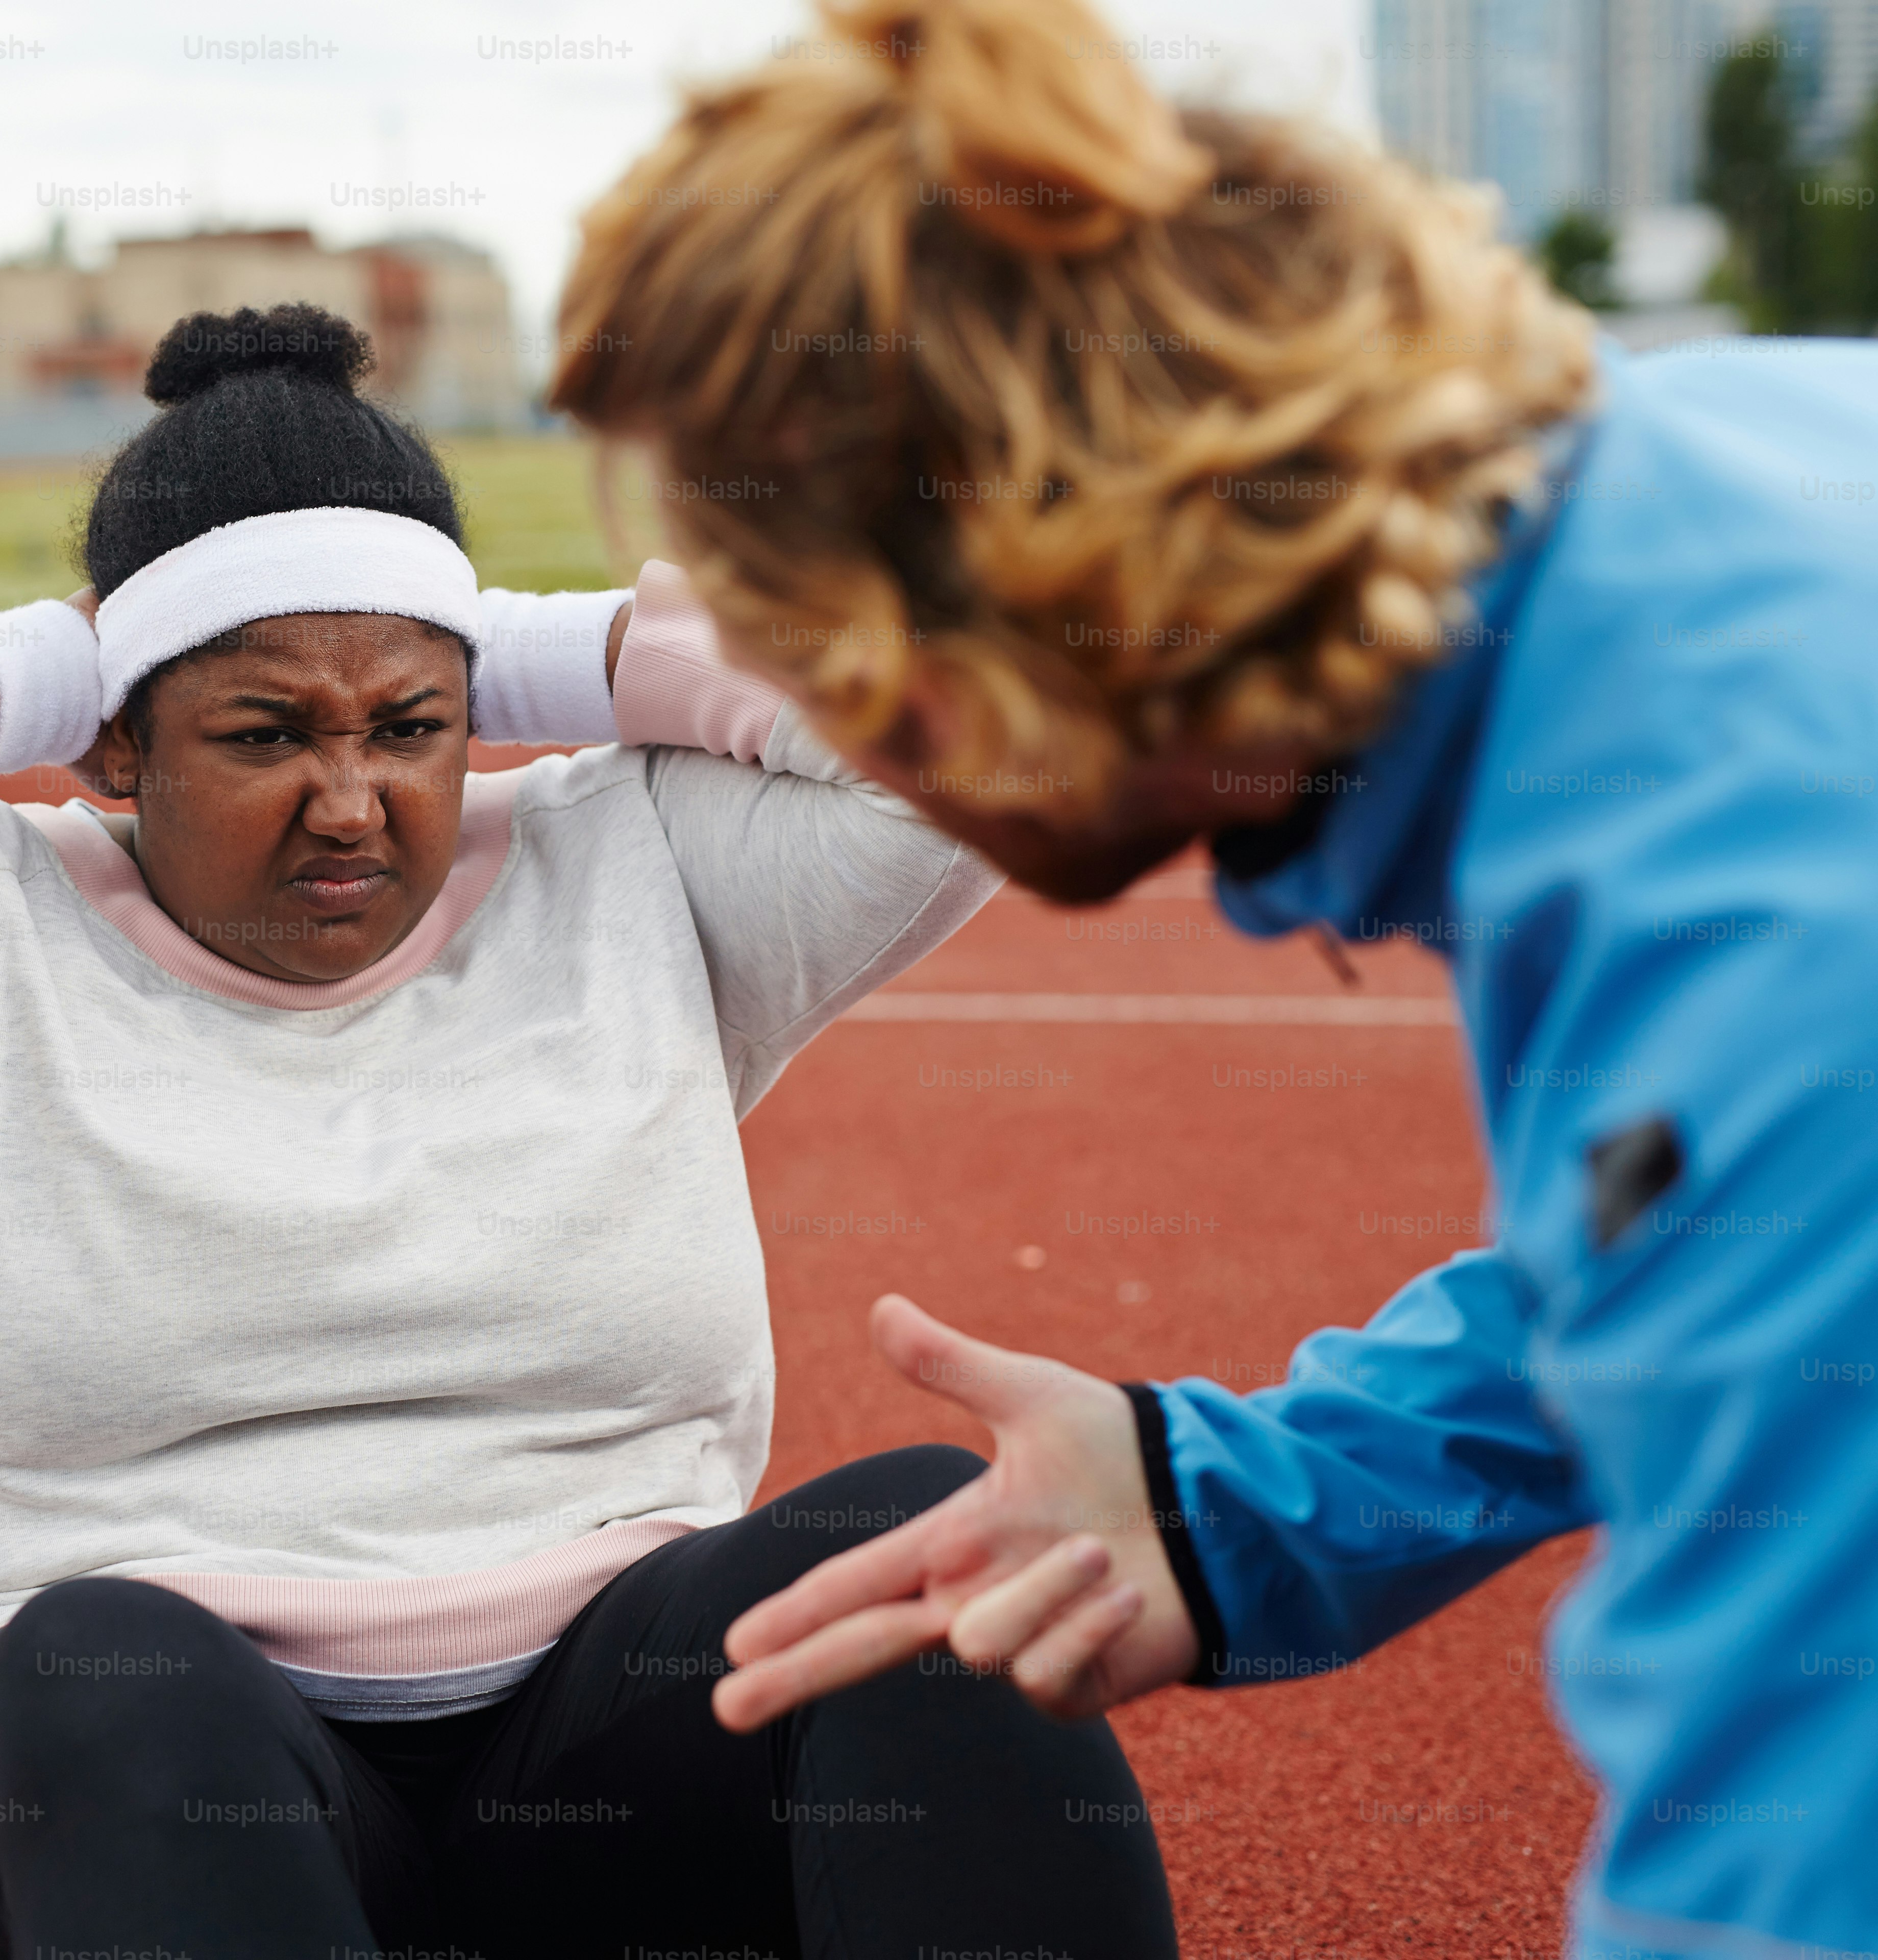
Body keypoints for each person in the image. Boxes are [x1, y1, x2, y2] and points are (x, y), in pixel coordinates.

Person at [0, 304, 1181, 1955]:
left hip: (598, 1768)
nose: (351, 801)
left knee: (912, 1553)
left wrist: (544, 648)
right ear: (115, 736)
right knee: (116, 1668)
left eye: (410, 726)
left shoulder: (636, 871)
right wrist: (31, 663)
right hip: (110, 1787)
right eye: (263, 732)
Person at [548, 3, 1878, 1956]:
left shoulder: (1748, 923)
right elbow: (1703, 1233)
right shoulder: (1690, 494)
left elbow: (1784, 1874)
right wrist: (1236, 1502)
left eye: (818, 657)